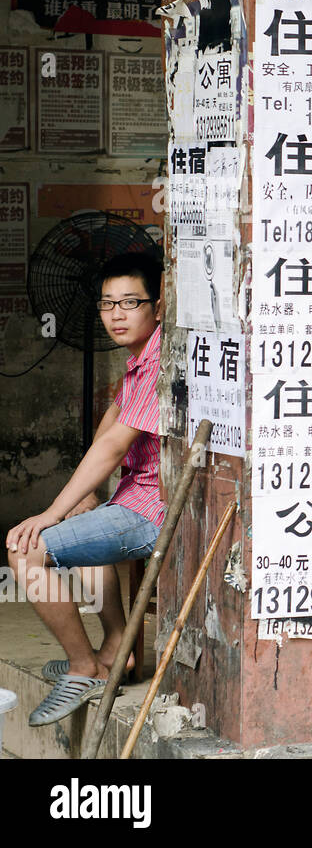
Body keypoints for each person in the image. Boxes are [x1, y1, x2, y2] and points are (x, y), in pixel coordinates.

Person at [6, 253, 165, 727]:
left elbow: (114, 447)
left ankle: (84, 667)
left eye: (130, 302)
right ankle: (116, 648)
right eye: (107, 304)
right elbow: (113, 421)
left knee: (24, 549)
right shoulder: (142, 356)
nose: (116, 314)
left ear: (158, 306)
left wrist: (52, 513)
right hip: (132, 495)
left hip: (154, 508)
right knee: (76, 520)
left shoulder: (161, 358)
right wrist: (80, 499)